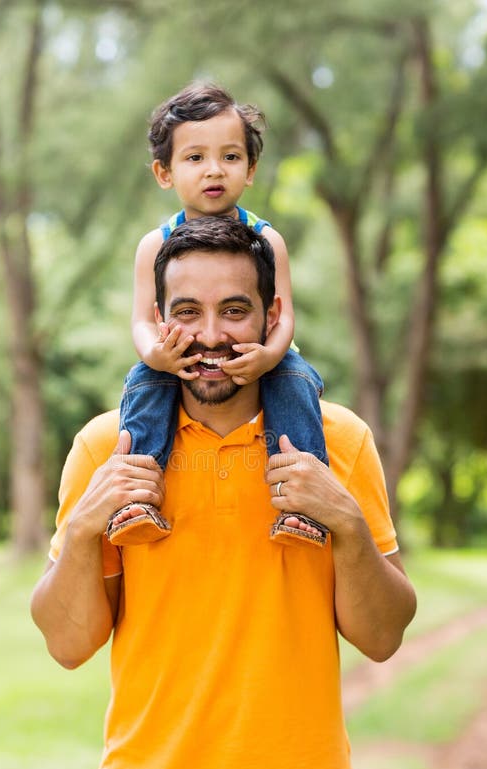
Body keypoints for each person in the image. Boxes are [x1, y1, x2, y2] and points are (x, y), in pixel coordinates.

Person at [31, 216, 416, 769]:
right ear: (156, 319)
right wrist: (88, 524)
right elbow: (66, 643)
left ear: (272, 318)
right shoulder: (108, 449)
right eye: (187, 312)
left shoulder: (339, 443)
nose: (210, 335)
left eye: (233, 311)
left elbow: (383, 636)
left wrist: (348, 524)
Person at [107, 82, 329, 550]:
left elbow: (284, 316)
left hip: (261, 350)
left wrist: (269, 356)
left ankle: (303, 501)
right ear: (163, 173)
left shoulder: (267, 240)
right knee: (144, 382)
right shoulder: (155, 244)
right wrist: (157, 355)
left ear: (250, 170)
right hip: (180, 353)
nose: (214, 170)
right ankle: (137, 495)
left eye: (230, 157)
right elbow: (142, 321)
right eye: (195, 158)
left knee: (297, 380)